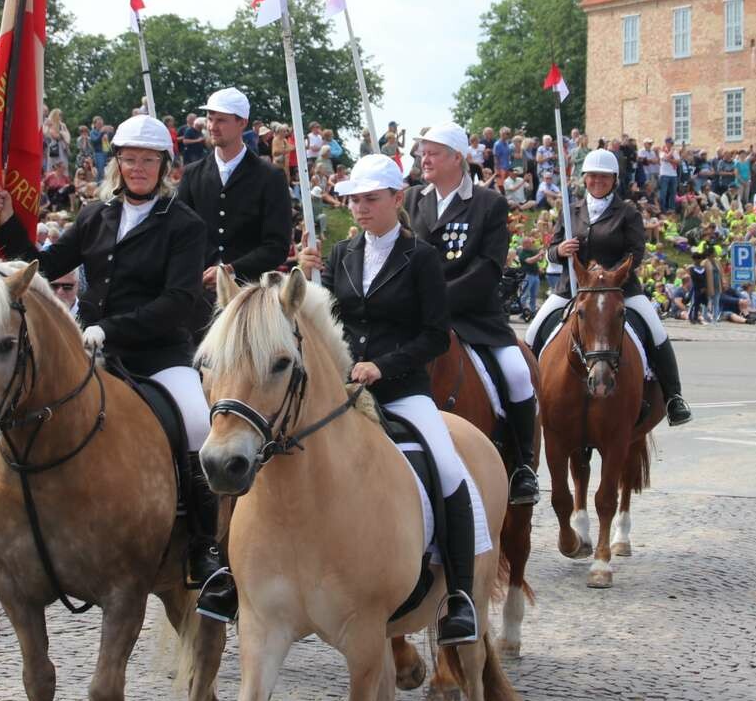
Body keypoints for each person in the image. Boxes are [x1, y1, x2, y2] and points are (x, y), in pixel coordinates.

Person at [22, 115, 222, 599]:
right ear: (117, 162)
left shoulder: (184, 224)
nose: (137, 168)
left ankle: (202, 543)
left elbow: (179, 300)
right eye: (129, 159)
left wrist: (109, 328)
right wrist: (7, 220)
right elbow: (47, 264)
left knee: (198, 423)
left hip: (158, 353)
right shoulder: (95, 213)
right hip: (92, 349)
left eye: (147, 161)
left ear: (164, 166)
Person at [296, 153, 482, 645]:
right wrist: (303, 276)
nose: (360, 208)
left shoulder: (420, 257)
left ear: (397, 200)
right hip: (345, 388)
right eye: (354, 199)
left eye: (371, 199)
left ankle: (460, 596)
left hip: (402, 390)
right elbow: (326, 321)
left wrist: (385, 364)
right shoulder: (339, 254)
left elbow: (435, 335)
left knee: (446, 468)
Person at [407, 123, 542, 502]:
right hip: (416, 316)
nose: (424, 158)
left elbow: (487, 268)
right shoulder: (414, 199)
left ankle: (522, 465)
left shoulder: (488, 203)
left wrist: (436, 300)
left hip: (473, 317)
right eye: (423, 152)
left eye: (433, 152)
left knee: (517, 374)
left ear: (457, 157)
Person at [523, 147, 692, 425]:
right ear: (584, 178)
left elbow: (635, 252)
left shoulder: (626, 212)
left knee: (656, 331)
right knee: (531, 335)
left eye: (604, 177)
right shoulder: (571, 210)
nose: (597, 181)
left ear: (614, 179)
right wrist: (560, 250)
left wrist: (609, 278)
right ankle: (527, 397)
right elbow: (552, 250)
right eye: (592, 176)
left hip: (620, 289)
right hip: (573, 289)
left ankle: (674, 397)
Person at [177, 88, 292, 314]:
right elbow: (181, 234)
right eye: (210, 119)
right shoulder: (192, 174)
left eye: (221, 120)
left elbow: (276, 246)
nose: (212, 126)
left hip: (252, 295)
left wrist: (232, 269)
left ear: (242, 123)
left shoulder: (270, 176)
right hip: (199, 296)